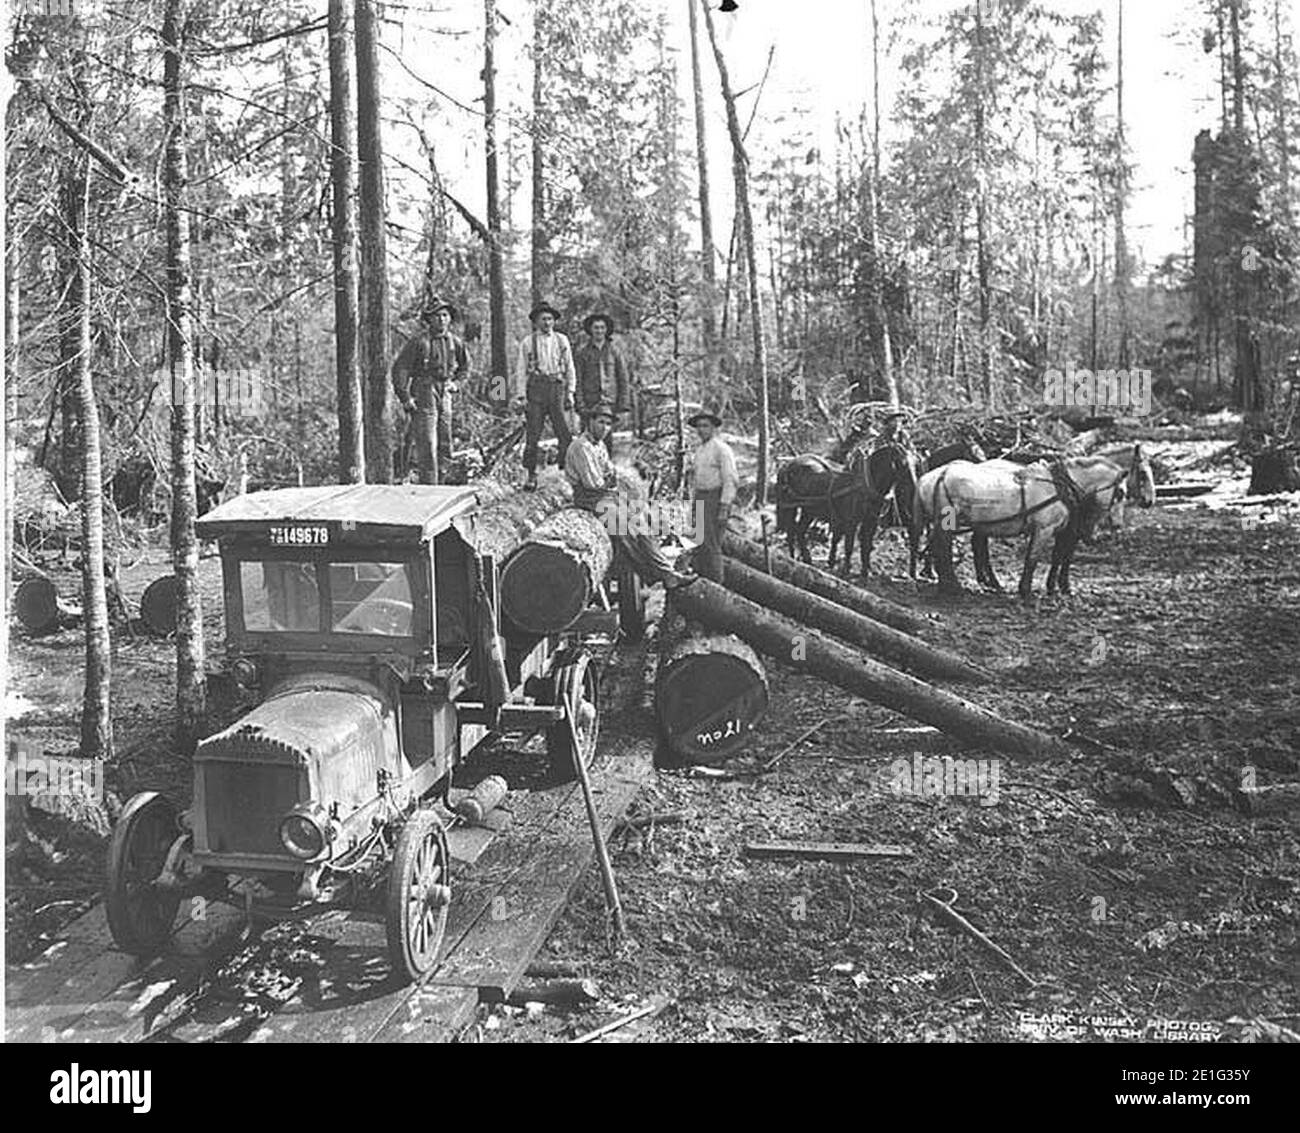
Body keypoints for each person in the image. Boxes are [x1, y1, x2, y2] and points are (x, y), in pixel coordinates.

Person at [565, 404, 694, 589]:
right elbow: (594, 483)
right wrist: (610, 481)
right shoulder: (581, 447)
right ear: (590, 421)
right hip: (589, 500)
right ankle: (653, 572)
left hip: (606, 496)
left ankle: (666, 571)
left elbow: (610, 473)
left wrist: (613, 481)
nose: (604, 427)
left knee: (643, 518)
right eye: (600, 422)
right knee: (626, 526)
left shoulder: (599, 445)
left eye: (608, 424)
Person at [391, 297, 469, 484]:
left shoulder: (455, 342)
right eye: (437, 316)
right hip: (424, 391)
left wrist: (456, 384)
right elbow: (400, 368)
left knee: (445, 440)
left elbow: (465, 367)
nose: (441, 319)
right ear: (429, 319)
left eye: (445, 315)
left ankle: (444, 484)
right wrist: (405, 397)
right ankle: (430, 488)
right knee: (427, 442)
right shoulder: (419, 342)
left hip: (446, 392)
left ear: (449, 318)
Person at [512, 301, 576, 490]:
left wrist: (570, 392)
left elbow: (570, 367)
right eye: (543, 319)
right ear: (536, 322)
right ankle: (531, 475)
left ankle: (567, 473)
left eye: (550, 319)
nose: (547, 323)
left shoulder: (561, 340)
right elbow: (521, 370)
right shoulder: (528, 342)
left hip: (556, 388)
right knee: (533, 434)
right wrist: (521, 396)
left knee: (564, 433)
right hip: (536, 390)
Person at [688, 409, 738, 582]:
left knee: (712, 544)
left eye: (705, 426)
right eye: (699, 426)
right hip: (701, 497)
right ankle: (702, 581)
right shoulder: (701, 450)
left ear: (714, 428)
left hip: (715, 499)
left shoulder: (722, 449)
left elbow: (730, 479)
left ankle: (716, 583)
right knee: (698, 541)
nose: (701, 430)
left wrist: (724, 506)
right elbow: (697, 477)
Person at [573, 313, 629, 456]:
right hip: (590, 404)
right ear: (590, 330)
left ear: (606, 330)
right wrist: (580, 405)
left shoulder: (615, 351)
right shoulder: (582, 353)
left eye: (602, 328)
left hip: (609, 403)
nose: (599, 331)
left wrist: (623, 407)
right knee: (587, 442)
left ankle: (606, 472)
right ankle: (587, 473)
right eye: (596, 328)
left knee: (606, 441)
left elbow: (623, 380)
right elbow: (577, 381)